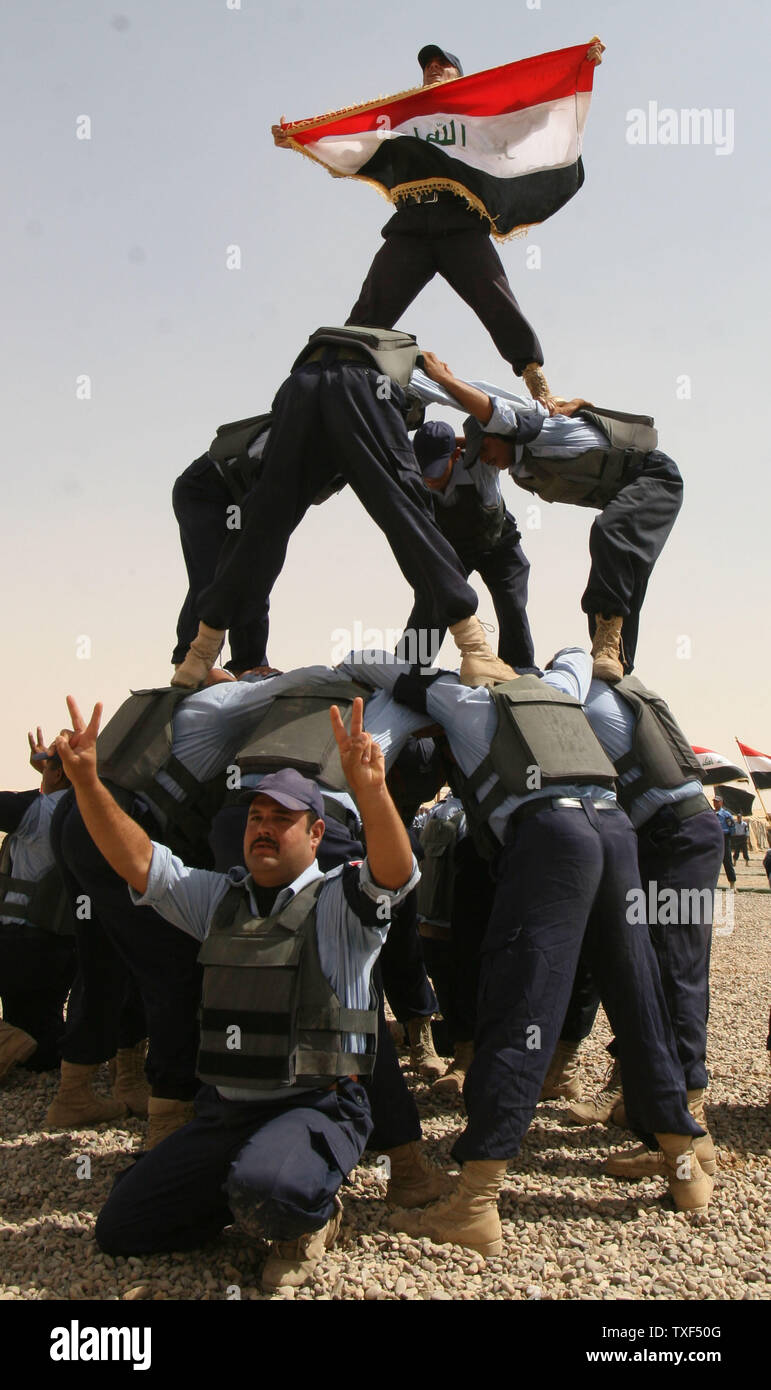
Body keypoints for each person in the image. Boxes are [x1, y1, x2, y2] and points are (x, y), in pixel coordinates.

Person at [338, 648, 711, 1256]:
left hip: (550, 837)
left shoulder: (460, 699)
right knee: (636, 991)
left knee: (522, 1002)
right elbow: (576, 658)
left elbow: (383, 668)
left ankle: (476, 1200)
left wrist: (373, 665)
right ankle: (684, 1169)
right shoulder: (558, 687)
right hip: (613, 829)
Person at [54, 694, 418, 1291]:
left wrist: (372, 792)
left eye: (282, 818)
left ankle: (309, 1210)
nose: (265, 828)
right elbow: (136, 858)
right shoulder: (220, 899)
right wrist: (89, 781)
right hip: (225, 1111)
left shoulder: (340, 904)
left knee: (269, 1191)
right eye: (256, 818)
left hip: (315, 1104)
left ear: (317, 831)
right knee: (123, 1227)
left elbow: (394, 873)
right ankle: (250, 1186)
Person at [172, 328, 519, 691]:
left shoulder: (337, 355)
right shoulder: (411, 371)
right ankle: (475, 649)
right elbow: (489, 404)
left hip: (299, 386)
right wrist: (537, 405)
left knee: (263, 522)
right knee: (406, 511)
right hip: (361, 387)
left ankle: (198, 657)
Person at [273, 43, 603, 400]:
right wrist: (299, 137)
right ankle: (325, 384)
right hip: (411, 228)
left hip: (459, 225)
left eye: (442, 63)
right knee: (369, 311)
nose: (433, 68)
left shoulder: (477, 114)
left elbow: (525, 112)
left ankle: (539, 387)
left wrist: (578, 65)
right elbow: (355, 139)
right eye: (428, 64)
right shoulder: (402, 118)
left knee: (498, 302)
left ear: (458, 75)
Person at [544, 673, 724, 1185]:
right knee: (668, 970)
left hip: (672, 837)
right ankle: (649, 1109)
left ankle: (693, 1142)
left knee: (672, 977)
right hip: (678, 831)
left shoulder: (572, 696)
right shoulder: (616, 689)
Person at [419, 354, 683, 681]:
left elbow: (494, 410)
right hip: (461, 544)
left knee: (607, 534)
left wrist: (441, 380)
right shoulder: (513, 463)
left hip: (652, 478)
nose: (484, 460)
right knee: (433, 596)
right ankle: (413, 664)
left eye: (484, 450)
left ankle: (530, 667)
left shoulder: (541, 434)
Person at [406, 417, 536, 669]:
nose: (431, 479)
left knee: (512, 603)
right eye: (425, 472)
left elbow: (495, 427)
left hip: (499, 542)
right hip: (455, 548)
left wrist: (457, 442)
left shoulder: (480, 461)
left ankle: (519, 670)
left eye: (437, 469)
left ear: (456, 455)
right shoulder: (413, 469)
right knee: (431, 599)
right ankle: (409, 667)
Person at [0, 731, 77, 1077]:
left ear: (58, 774)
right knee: (40, 1043)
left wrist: (47, 774)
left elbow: (31, 804)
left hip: (20, 947)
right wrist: (48, 769)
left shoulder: (37, 811)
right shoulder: (90, 810)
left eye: (48, 769)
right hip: (64, 946)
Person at [713, 796, 736, 887]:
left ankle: (732, 884)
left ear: (721, 803)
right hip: (714, 838)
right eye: (714, 802)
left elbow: (732, 827)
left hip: (724, 838)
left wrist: (729, 837)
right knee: (713, 862)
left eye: (717, 802)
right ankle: (712, 884)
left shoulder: (726, 815)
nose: (715, 803)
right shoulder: (711, 813)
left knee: (727, 861)